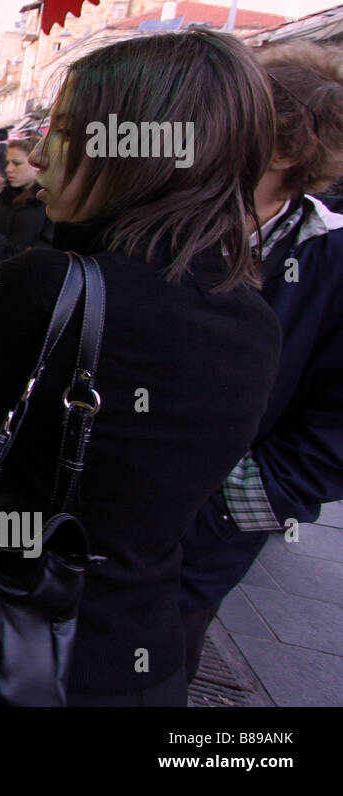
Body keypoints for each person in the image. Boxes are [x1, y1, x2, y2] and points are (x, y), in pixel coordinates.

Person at [0, 28, 281, 707]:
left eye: (64, 133)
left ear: (132, 152)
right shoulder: (256, 321)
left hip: (0, 644)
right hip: (142, 663)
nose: (40, 154)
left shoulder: (47, 285)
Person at [178, 40, 343, 682]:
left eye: (226, 115)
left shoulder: (327, 263)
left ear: (285, 150)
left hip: (192, 554)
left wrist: (213, 519)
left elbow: (328, 440)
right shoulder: (157, 217)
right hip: (82, 524)